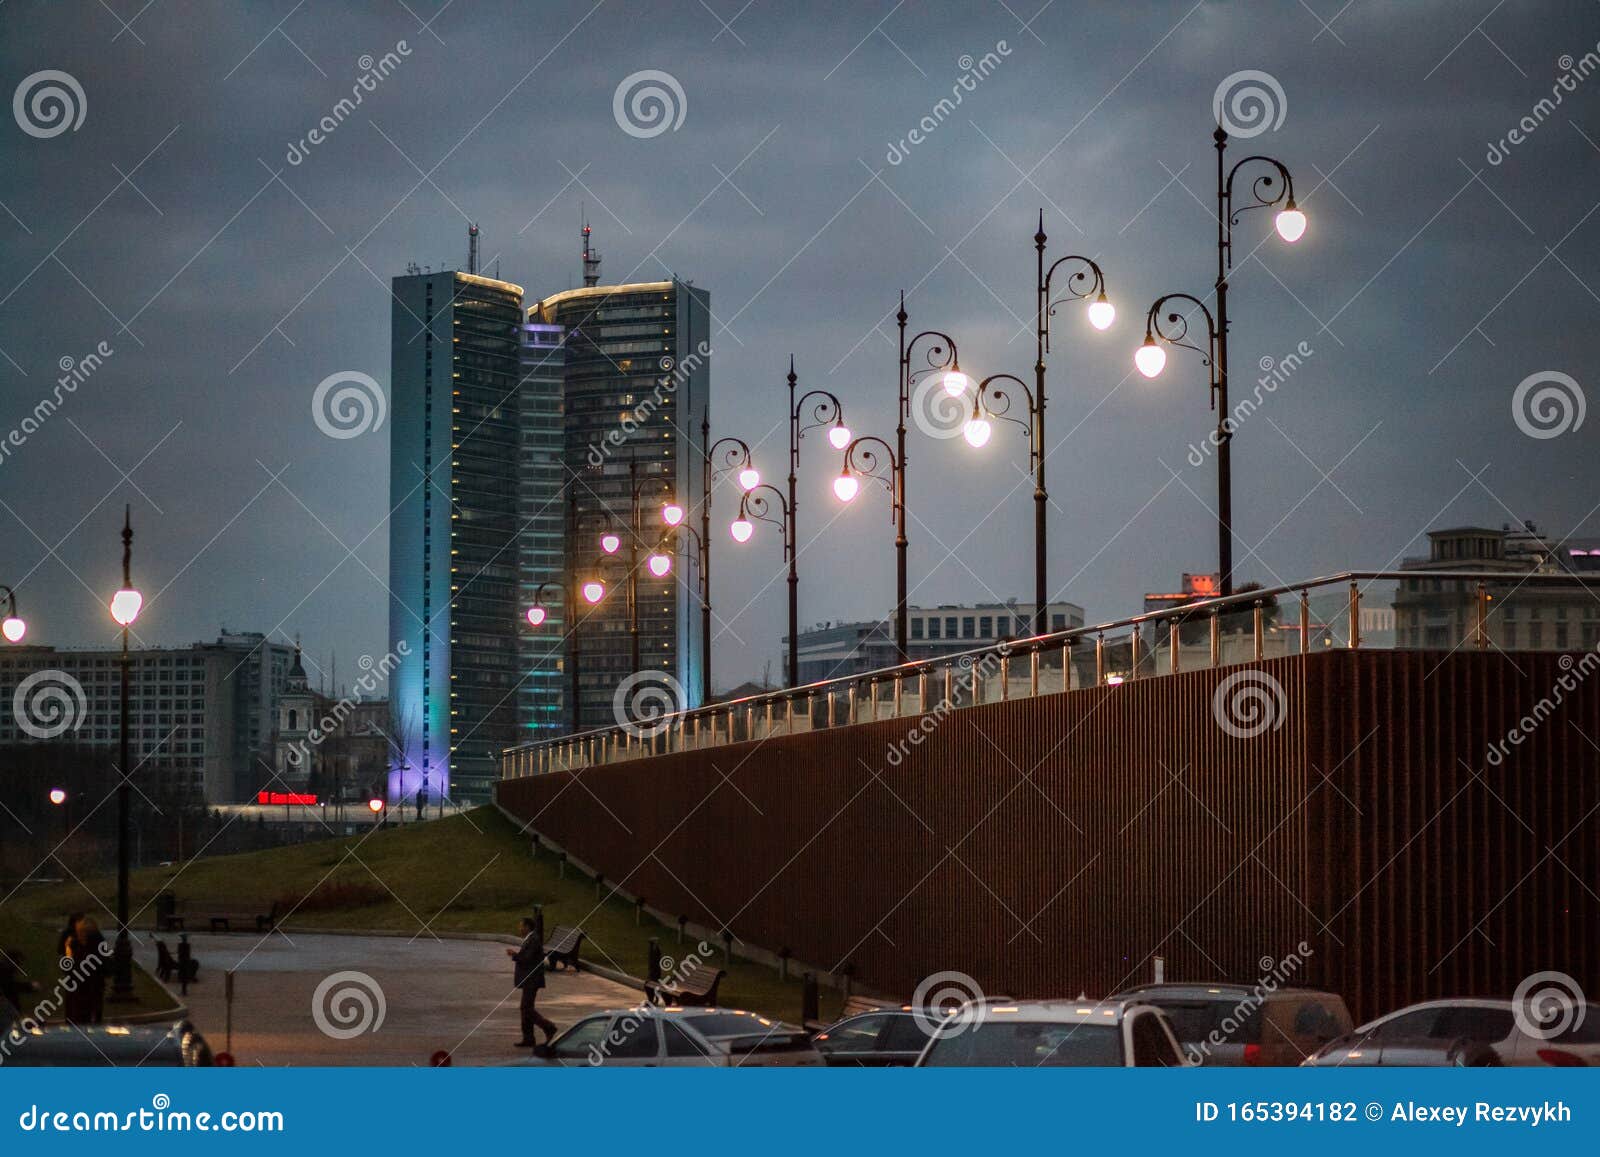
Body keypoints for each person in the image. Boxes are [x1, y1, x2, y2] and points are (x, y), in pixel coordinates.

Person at [507, 915, 556, 1047]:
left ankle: (548, 1027)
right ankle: (528, 1038)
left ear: (527, 927)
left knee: (526, 1008)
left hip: (532, 979)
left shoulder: (534, 939)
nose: (519, 928)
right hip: (529, 979)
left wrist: (515, 955)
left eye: (521, 926)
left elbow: (528, 959)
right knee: (526, 1008)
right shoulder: (530, 939)